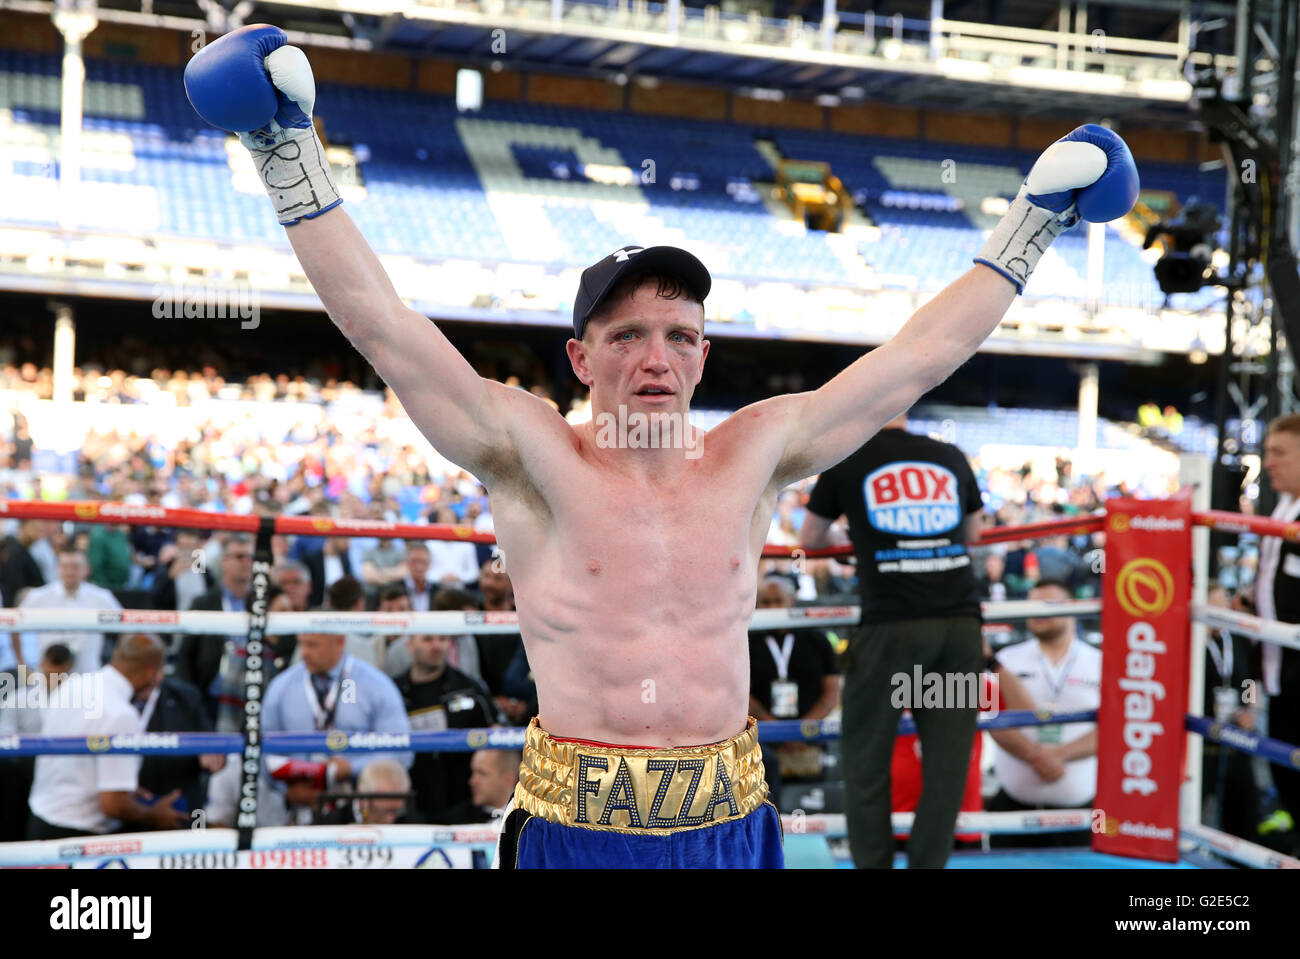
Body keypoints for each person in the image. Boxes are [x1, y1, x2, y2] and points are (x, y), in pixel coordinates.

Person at [185, 25, 1137, 867]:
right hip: (576, 827)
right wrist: (285, 151)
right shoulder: (529, 453)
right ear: (581, 355)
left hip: (732, 819)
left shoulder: (757, 452)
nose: (657, 356)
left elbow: (919, 356)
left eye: (680, 336)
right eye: (628, 334)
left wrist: (1032, 225)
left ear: (705, 355)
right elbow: (384, 326)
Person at [800, 412, 987, 868]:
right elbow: (976, 535)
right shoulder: (949, 455)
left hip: (890, 629)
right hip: (957, 630)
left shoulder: (845, 458)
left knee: (866, 760)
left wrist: (855, 536)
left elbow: (809, 541)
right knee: (947, 767)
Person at [27, 635, 189, 838]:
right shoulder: (120, 713)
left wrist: (124, 785)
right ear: (151, 673)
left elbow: (75, 764)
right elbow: (113, 805)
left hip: (41, 820)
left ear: (116, 655)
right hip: (79, 832)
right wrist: (154, 815)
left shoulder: (74, 685)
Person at [986, 580, 1101, 847]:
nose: (1038, 613)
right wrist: (1035, 755)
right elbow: (991, 717)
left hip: (1080, 816)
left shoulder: (1101, 663)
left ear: (1073, 609)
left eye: (1048, 605)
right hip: (1013, 810)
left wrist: (1059, 755)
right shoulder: (1004, 661)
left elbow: (1115, 726)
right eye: (1032, 605)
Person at [261, 631, 413, 824]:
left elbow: (401, 751)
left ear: (340, 642)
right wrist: (288, 791)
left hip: (358, 810)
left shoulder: (376, 685)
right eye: (302, 644)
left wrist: (351, 767)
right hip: (295, 811)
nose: (305, 652)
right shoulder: (281, 688)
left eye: (313, 645)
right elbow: (262, 751)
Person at [1254, 413, 1300, 846]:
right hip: (1277, 669)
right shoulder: (1282, 506)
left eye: (1279, 453)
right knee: (1286, 771)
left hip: (1294, 668)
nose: (1269, 462)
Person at [748, 575, 839, 788]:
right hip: (763, 740)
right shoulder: (746, 641)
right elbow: (742, 695)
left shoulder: (817, 640)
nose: (773, 608)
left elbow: (832, 692)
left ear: (792, 601)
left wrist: (802, 731)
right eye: (766, 603)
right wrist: (779, 730)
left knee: (815, 803)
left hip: (810, 741)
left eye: (778, 601)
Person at [394, 631, 494, 823]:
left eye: (443, 639)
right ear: (410, 645)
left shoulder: (469, 689)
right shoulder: (393, 692)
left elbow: (497, 734)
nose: (437, 645)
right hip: (408, 804)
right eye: (428, 638)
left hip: (462, 803)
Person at [12, 544, 120, 675]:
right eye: (65, 566)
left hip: (88, 676)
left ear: (86, 569)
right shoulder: (39, 596)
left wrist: (114, 668)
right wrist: (22, 664)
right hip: (48, 677)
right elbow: (13, 625)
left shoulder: (102, 597)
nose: (70, 571)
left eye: (75, 566)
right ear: (57, 568)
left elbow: (127, 629)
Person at [0, 644, 71, 841]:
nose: (53, 680)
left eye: (59, 675)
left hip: (62, 773)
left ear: (68, 670)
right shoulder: (19, 698)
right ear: (41, 665)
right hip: (23, 771)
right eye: (49, 674)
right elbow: (5, 737)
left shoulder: (78, 702)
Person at [442, 750, 523, 825]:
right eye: (473, 772)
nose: (472, 781)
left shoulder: (531, 817)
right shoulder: (456, 820)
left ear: (508, 779)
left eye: (482, 773)